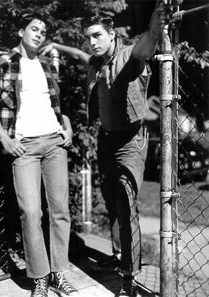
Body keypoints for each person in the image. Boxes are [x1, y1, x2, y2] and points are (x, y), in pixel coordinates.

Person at [41, 1, 161, 296]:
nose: (92, 42)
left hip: (131, 141)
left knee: (127, 202)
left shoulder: (128, 55)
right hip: (107, 140)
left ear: (111, 34)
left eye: (97, 35)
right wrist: (56, 43)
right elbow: (82, 56)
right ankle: (120, 258)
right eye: (88, 37)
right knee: (112, 204)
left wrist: (159, 14)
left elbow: (148, 42)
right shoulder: (97, 62)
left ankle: (129, 280)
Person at [0, 13, 78, 297]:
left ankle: (59, 273)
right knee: (31, 212)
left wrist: (67, 129)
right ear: (22, 31)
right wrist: (5, 140)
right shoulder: (1, 62)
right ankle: (39, 278)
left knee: (60, 211)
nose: (39, 33)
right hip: (25, 147)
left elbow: (59, 104)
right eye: (34, 28)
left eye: (43, 31)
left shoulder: (48, 65)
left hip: (55, 144)